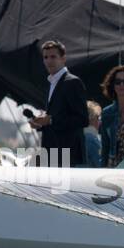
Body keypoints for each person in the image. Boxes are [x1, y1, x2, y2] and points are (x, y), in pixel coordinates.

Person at [29, 39, 88, 168]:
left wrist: (50, 120)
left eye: (53, 57)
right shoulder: (52, 83)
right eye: (45, 57)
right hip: (52, 154)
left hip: (67, 154)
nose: (49, 61)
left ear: (63, 58)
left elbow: (82, 119)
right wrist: (40, 123)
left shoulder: (72, 82)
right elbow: (56, 117)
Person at [84, 101, 103, 168]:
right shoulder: (91, 138)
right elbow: (101, 165)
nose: (100, 122)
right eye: (98, 118)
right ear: (90, 118)